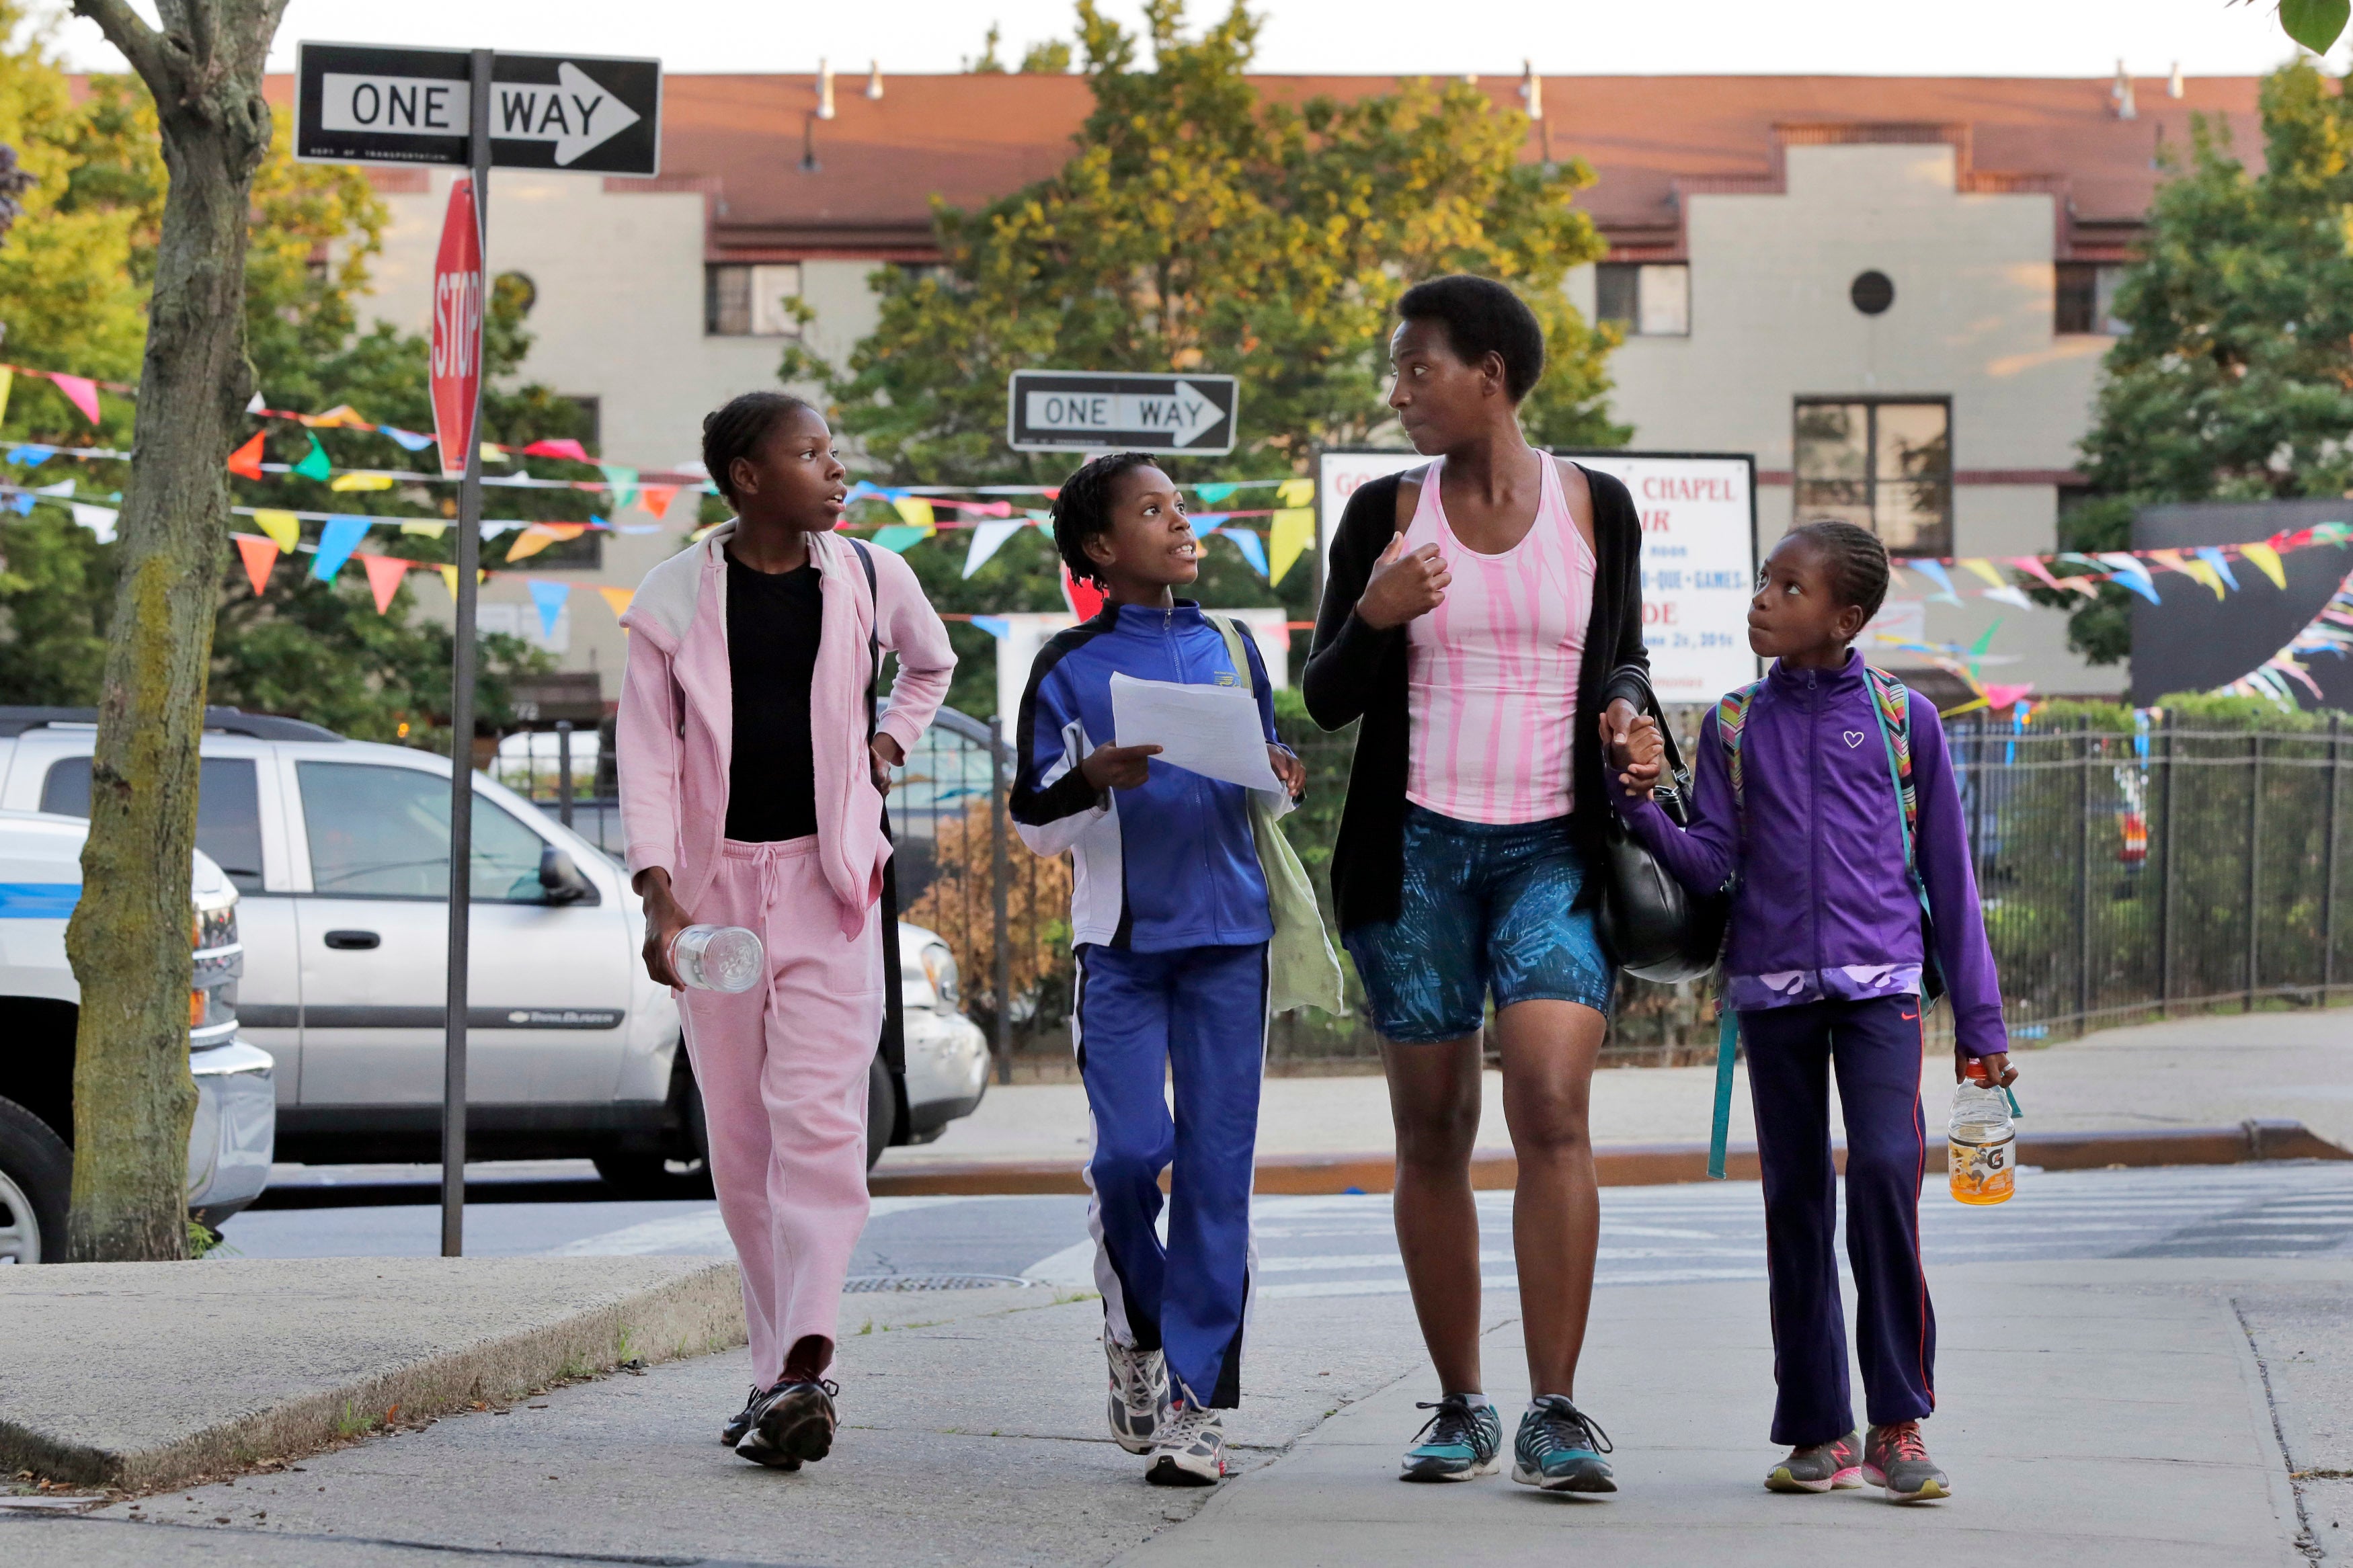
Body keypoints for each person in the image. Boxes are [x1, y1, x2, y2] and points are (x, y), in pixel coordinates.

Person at [1303, 275, 1652, 1493]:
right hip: (1417, 860)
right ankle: (1460, 1401)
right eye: (1398, 373)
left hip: (1554, 850)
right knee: (1435, 1126)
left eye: (1417, 369)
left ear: (1491, 374)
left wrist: (1630, 716)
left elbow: (1627, 661)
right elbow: (1326, 696)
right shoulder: (1384, 513)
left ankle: (1557, 1408)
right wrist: (1379, 613)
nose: (1399, 392)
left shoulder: (1596, 505)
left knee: (1553, 1107)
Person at [1608, 519, 2016, 1503]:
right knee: (1795, 1203)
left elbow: (1949, 880)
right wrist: (1641, 808)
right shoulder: (1733, 724)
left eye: (1787, 588)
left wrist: (1984, 1027)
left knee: (1883, 1171)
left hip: (1881, 993)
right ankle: (1818, 1429)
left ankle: (1898, 1423)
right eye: (1762, 580)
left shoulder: (1901, 718)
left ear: (1845, 616)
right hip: (1774, 995)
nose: (1763, 598)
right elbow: (1712, 860)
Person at [615, 390, 955, 1470]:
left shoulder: (865, 574)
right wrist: (658, 894)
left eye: (834, 450)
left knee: (818, 1124)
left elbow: (931, 664)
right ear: (747, 477)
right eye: (811, 453)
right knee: (743, 1146)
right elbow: (648, 756)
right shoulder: (671, 599)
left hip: (830, 882)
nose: (836, 468)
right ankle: (774, 1376)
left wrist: (889, 749)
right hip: (714, 902)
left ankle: (809, 1357)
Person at [1010, 452, 1308, 1487]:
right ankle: (1133, 1333)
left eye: (1181, 506)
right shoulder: (1064, 666)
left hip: (1232, 941)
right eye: (1153, 510)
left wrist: (1281, 774)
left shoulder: (1233, 642)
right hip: (1125, 950)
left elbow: (1268, 770)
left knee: (1219, 1177)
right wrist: (1091, 776)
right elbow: (1030, 815)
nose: (1182, 522)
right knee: (1128, 1160)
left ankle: (1196, 1406)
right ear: (1102, 548)